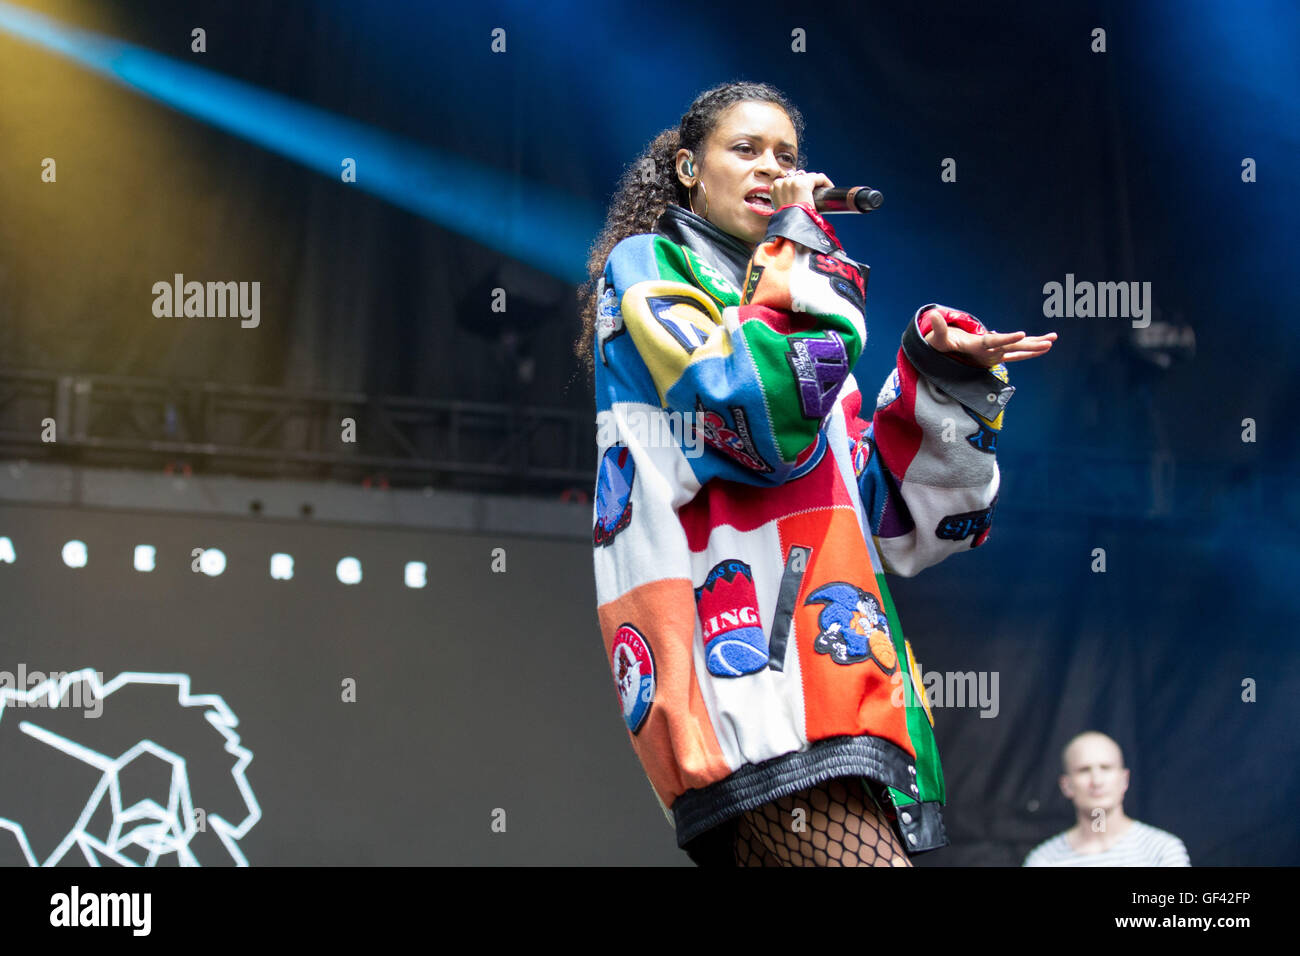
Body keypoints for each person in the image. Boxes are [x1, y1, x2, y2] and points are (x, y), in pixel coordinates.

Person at [576, 81, 1057, 866]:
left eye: (788, 157)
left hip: (826, 674)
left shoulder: (787, 301)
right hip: (755, 691)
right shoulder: (651, 270)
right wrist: (802, 246)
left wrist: (941, 378)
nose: (774, 170)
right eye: (747, 150)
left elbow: (890, 521)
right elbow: (749, 413)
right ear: (688, 168)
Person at [1023, 731, 1190, 866]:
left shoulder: (1161, 849)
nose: (1096, 781)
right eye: (1084, 770)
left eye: (1106, 768)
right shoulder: (1044, 860)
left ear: (1124, 779)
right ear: (1067, 785)